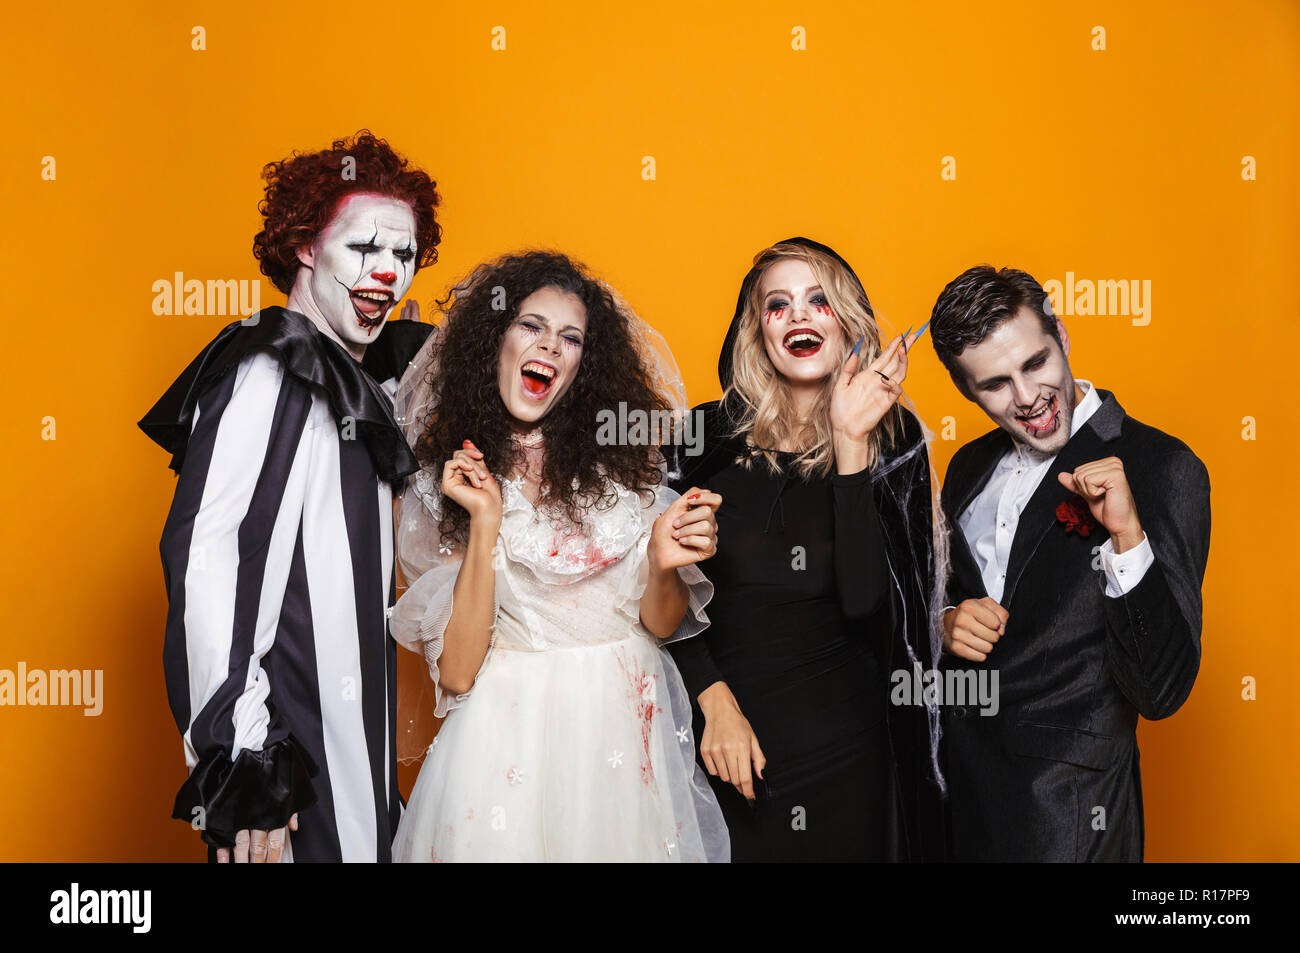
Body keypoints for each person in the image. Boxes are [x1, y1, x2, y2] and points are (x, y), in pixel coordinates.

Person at [138, 131, 442, 862]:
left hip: (353, 774)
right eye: (362, 248)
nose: (386, 273)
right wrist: (243, 772)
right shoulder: (276, 369)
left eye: (402, 256)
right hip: (290, 790)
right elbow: (213, 570)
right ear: (306, 247)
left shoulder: (358, 382)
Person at [388, 250, 729, 862]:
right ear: (493, 340)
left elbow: (660, 623)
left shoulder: (621, 472)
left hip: (626, 734)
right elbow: (458, 672)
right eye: (531, 326)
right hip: (508, 750)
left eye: (570, 338)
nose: (549, 346)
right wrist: (485, 526)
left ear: (583, 365)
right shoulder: (447, 487)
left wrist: (663, 561)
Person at [666, 238, 947, 862]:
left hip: (849, 750)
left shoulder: (894, 441)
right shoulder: (702, 437)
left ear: (847, 320)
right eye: (778, 305)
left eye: (819, 300)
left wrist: (851, 444)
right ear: (756, 330)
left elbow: (868, 604)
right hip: (726, 738)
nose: (799, 316)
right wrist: (712, 700)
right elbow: (656, 592)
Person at [929, 264, 1211, 862]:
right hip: (959, 801)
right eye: (995, 385)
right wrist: (946, 621)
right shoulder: (966, 468)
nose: (1028, 398)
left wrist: (1127, 536)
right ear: (966, 391)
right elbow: (945, 601)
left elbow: (1161, 692)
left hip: (1073, 817)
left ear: (1062, 335)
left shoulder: (1162, 466)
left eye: (1036, 363)